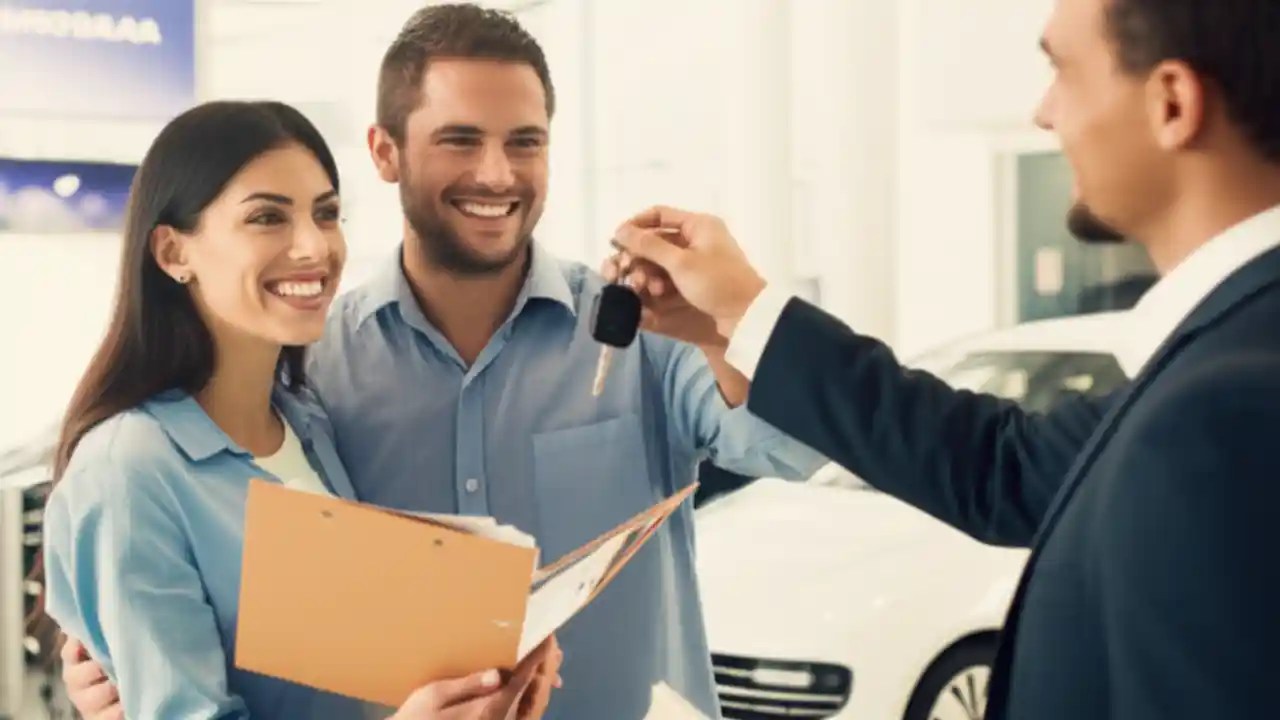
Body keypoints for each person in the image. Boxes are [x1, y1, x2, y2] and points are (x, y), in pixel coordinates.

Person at [62, 4, 826, 719]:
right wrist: (133, 655)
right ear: (385, 152)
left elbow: (795, 450)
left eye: (525, 141)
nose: (497, 173)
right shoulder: (313, 373)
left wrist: (729, 325)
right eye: (460, 139)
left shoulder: (647, 333)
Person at [610, 0, 1280, 718]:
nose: (1043, 113)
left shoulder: (1225, 410)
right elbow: (1000, 464)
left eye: (1063, 71)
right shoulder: (1228, 350)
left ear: (1172, 103)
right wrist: (738, 317)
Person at [41, 100, 561, 720]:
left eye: (327, 214)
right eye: (267, 217)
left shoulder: (308, 426)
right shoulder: (130, 469)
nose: (314, 246)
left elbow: (349, 670)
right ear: (174, 253)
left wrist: (495, 668)